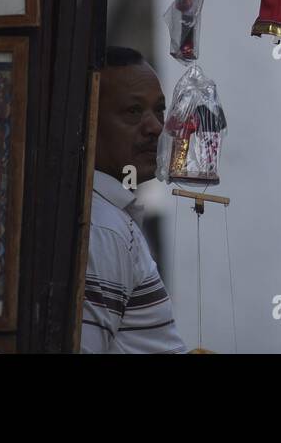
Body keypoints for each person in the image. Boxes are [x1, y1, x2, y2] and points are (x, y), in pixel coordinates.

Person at [81, 46, 187, 353]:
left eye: (159, 110)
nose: (155, 127)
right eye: (133, 111)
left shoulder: (111, 218)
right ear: (90, 120)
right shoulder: (102, 229)